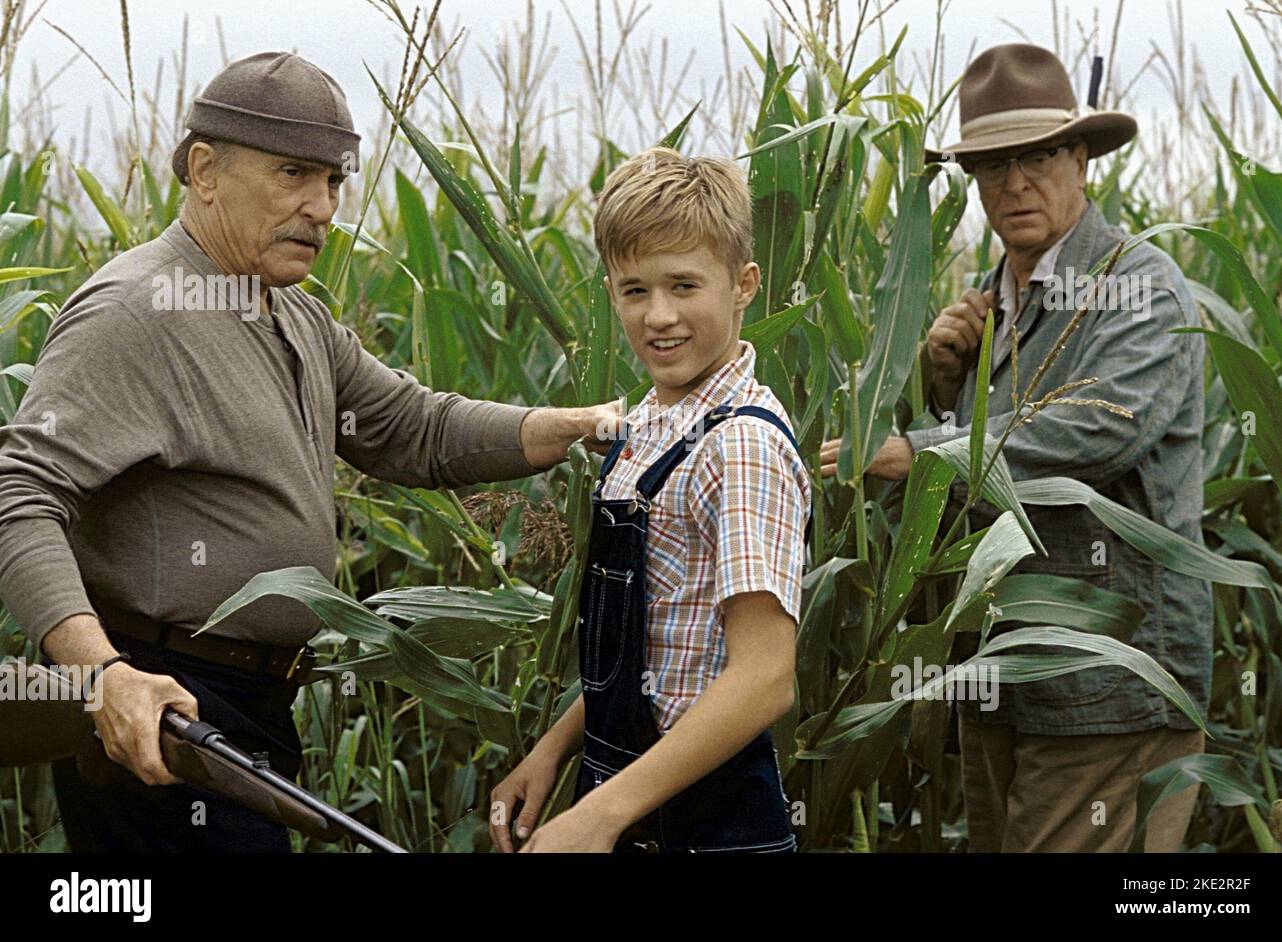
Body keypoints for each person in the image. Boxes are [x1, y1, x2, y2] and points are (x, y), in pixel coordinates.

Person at [0, 51, 617, 852]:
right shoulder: (134, 313)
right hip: (161, 711)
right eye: (293, 174)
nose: (321, 207)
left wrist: (576, 425)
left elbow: (414, 429)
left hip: (251, 713)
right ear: (205, 170)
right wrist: (102, 675)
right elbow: (19, 494)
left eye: (333, 181)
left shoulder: (295, 315)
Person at [820, 43, 1212, 852]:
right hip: (1003, 677)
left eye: (1038, 158)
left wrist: (922, 450)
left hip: (1109, 678)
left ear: (1080, 160)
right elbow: (976, 482)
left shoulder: (1140, 288)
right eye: (993, 165)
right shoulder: (990, 303)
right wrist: (942, 380)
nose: (1015, 183)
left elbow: (1102, 429)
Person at [490, 147, 811, 853]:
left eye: (684, 285)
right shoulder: (648, 427)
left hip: (706, 822)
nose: (659, 316)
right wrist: (554, 749)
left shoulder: (740, 446)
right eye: (635, 290)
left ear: (744, 285)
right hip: (627, 792)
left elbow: (764, 678)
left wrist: (600, 815)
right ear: (611, 292)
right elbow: (655, 655)